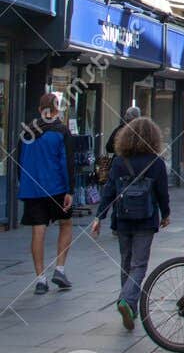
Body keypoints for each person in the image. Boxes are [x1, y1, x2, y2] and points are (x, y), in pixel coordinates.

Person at [91, 115, 170, 329]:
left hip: (123, 218)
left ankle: (130, 305)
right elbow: (162, 192)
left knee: (126, 262)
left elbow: (109, 191)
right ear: (153, 138)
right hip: (145, 219)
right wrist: (166, 214)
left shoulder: (119, 162)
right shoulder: (156, 162)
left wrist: (99, 216)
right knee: (139, 265)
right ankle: (127, 300)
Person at [18, 92, 77, 295]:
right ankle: (60, 268)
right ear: (57, 108)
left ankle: (40, 278)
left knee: (38, 230)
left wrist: (23, 183)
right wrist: (70, 189)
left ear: (39, 109)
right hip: (57, 187)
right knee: (66, 224)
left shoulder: (27, 132)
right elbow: (67, 161)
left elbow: (20, 162)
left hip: (32, 188)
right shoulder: (61, 131)